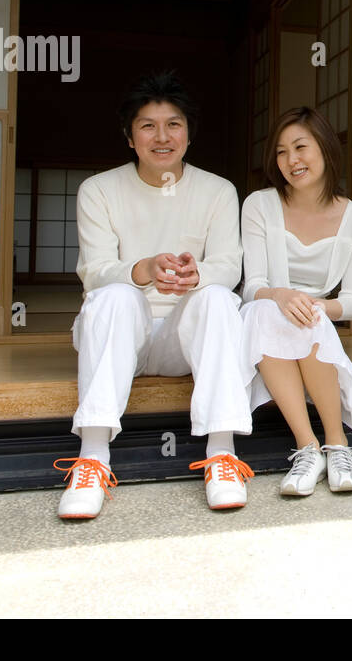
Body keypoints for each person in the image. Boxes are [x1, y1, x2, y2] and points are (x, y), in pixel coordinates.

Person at [54, 72, 254, 519]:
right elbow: (94, 271)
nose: (161, 136)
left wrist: (195, 275)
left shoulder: (218, 191)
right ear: (129, 137)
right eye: (147, 125)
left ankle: (221, 454)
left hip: (184, 340)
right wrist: (142, 270)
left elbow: (229, 266)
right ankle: (92, 459)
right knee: (112, 295)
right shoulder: (99, 190)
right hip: (122, 332)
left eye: (174, 124)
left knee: (221, 297)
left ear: (189, 134)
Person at [240, 106, 352, 496]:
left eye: (300, 147)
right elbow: (252, 286)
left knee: (309, 318)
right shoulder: (259, 205)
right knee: (268, 311)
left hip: (316, 319)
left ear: (326, 150)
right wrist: (282, 296)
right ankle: (308, 447)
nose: (291, 160)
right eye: (281, 152)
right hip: (266, 308)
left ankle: (337, 443)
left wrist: (315, 307)